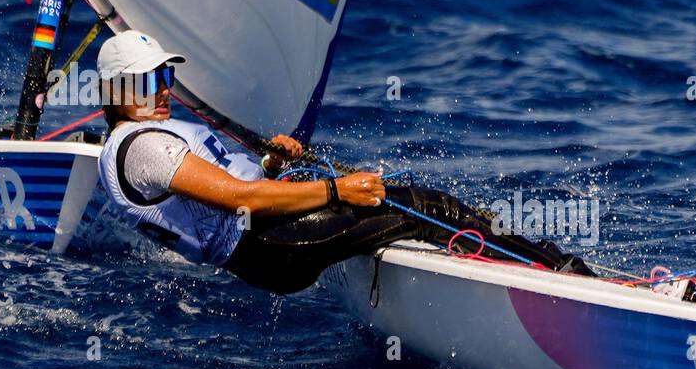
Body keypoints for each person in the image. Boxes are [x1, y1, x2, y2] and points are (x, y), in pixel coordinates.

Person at [94, 31, 592, 293]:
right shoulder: (141, 146)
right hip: (266, 245)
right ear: (114, 90)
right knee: (420, 208)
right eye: (144, 80)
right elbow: (240, 200)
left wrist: (268, 165)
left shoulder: (140, 142)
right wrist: (338, 192)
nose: (160, 89)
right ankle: (565, 278)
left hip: (264, 243)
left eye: (162, 75)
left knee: (414, 207)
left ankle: (531, 263)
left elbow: (235, 191)